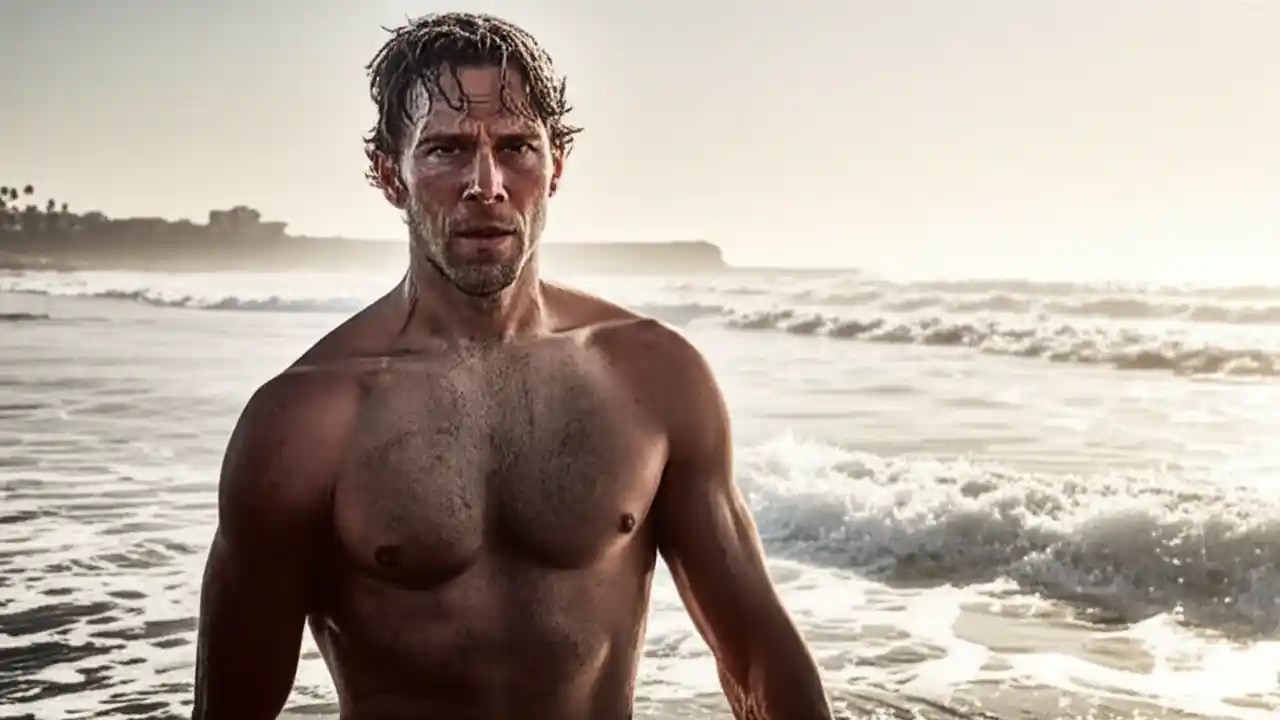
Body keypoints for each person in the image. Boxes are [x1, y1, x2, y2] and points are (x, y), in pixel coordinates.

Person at [192, 11, 832, 720]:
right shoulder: (304, 421)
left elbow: (755, 655)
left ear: (556, 167)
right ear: (388, 174)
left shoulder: (655, 378)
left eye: (517, 147)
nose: (486, 184)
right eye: (446, 151)